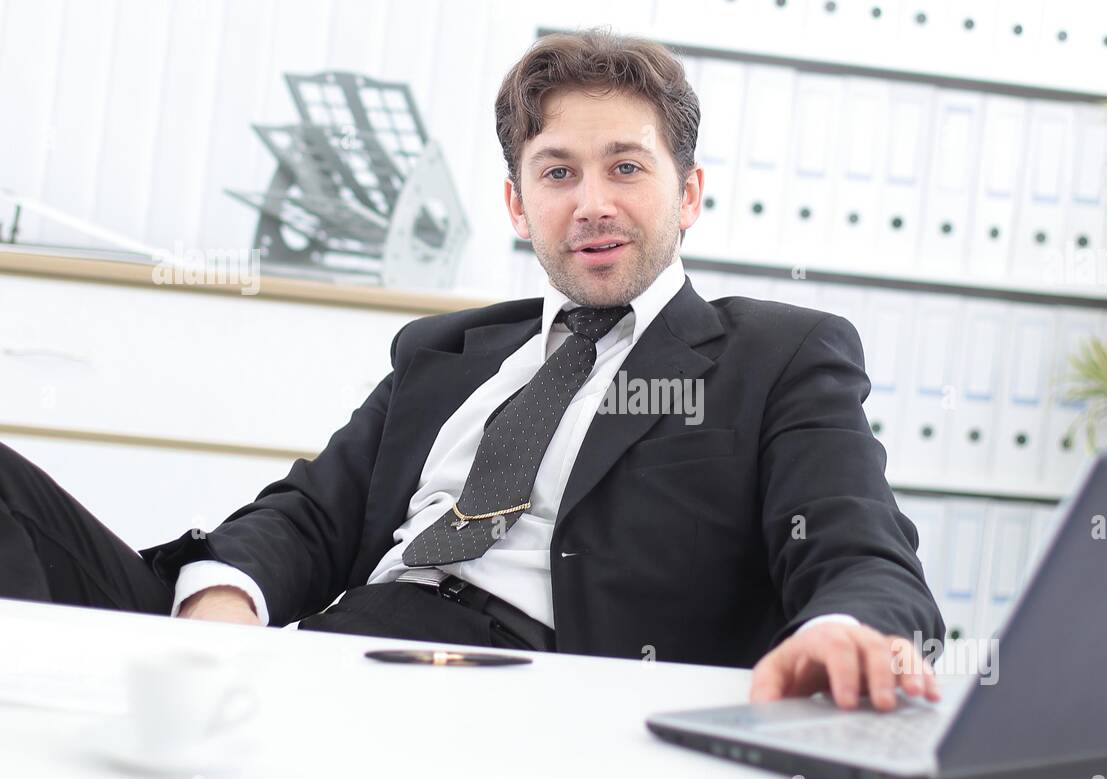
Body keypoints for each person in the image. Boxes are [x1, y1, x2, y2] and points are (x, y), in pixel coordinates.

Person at [0, 29, 942, 711]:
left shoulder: (776, 355)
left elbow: (863, 555)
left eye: (627, 167)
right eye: (559, 173)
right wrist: (224, 593)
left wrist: (845, 630)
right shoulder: (446, 354)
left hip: (522, 686)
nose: (593, 204)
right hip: (322, 661)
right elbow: (309, 513)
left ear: (689, 193)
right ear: (517, 203)